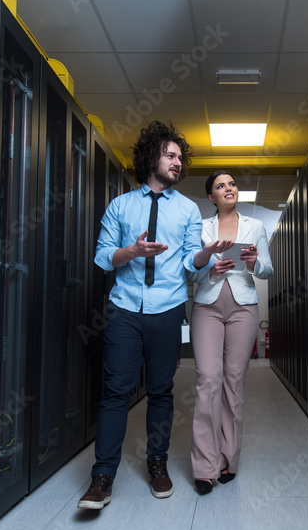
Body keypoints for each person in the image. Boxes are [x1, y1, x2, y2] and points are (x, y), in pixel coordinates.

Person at [78, 122, 232, 510]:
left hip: (167, 309)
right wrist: (132, 252)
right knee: (115, 391)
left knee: (162, 391)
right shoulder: (121, 205)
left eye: (181, 158)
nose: (178, 162)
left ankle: (157, 464)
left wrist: (204, 253)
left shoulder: (188, 210)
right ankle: (102, 477)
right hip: (126, 308)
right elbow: (101, 256)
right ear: (151, 158)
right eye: (170, 155)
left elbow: (190, 266)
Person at [189, 171, 273, 494]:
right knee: (208, 379)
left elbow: (267, 269)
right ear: (211, 197)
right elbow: (190, 272)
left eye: (232, 184)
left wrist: (252, 262)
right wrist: (208, 268)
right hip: (207, 307)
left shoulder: (256, 226)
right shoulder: (200, 228)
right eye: (221, 186)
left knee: (233, 383)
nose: (229, 188)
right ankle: (204, 465)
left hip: (244, 308)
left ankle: (228, 460)